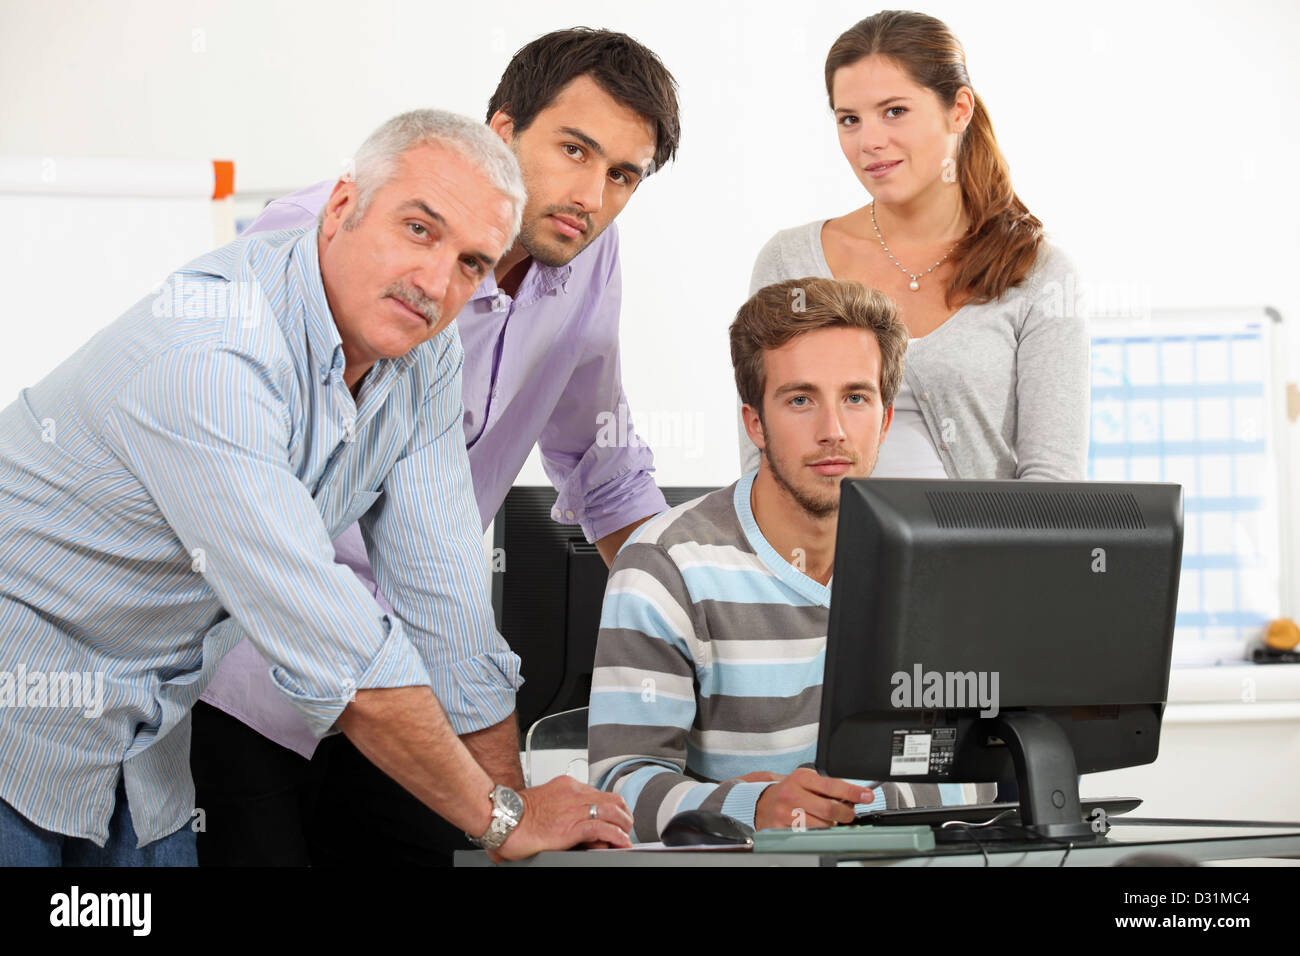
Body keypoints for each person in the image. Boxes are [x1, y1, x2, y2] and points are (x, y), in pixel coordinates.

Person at [0, 108, 636, 866]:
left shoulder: (419, 356)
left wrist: (511, 815)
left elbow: (446, 596)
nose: (435, 281)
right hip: (19, 722)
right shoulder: (212, 355)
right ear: (341, 207)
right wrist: (500, 819)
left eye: (471, 262)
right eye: (419, 229)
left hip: (144, 746)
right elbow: (345, 663)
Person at [191, 27, 682, 865]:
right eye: (574, 149)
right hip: (255, 675)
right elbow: (233, 486)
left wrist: (702, 613)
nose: (591, 195)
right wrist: (505, 794)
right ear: (500, 131)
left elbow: (602, 466)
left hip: (421, 685)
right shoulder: (316, 241)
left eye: (622, 175)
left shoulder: (588, 261)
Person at [589, 277, 996, 841]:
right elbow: (617, 788)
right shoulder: (664, 567)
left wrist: (841, 799)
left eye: (855, 398)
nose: (832, 432)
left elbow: (983, 772)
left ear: (883, 419)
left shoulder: (938, 566)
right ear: (754, 422)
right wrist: (755, 806)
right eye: (800, 399)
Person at [739, 10, 1088, 484]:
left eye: (894, 111)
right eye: (850, 120)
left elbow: (1053, 482)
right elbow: (762, 464)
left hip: (985, 553)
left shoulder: (1038, 273)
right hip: (815, 557)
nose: (870, 142)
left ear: (958, 109)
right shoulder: (790, 261)